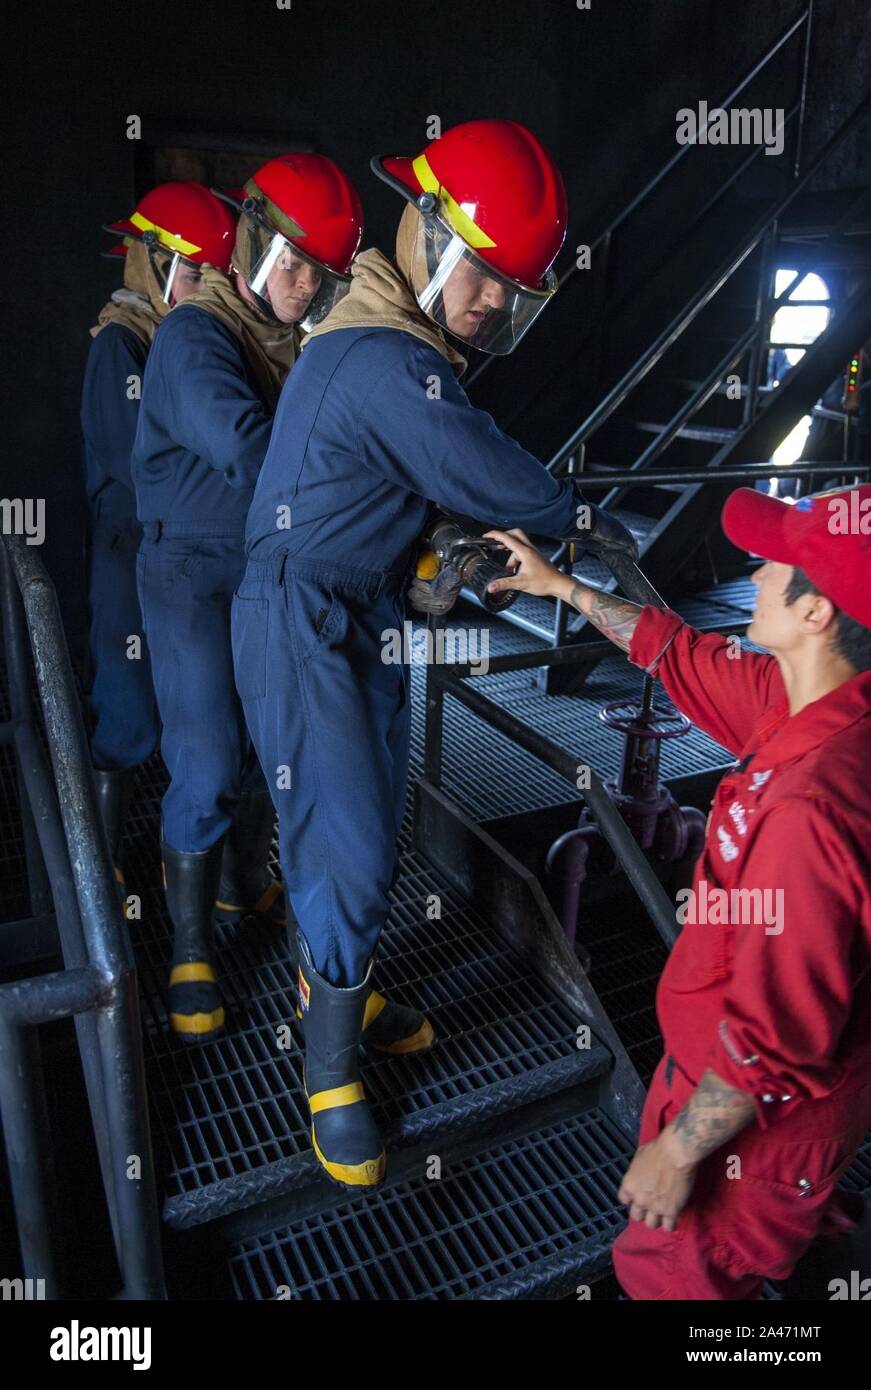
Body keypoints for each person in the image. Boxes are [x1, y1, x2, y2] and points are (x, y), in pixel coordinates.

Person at [234, 119, 638, 1188]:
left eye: (514, 290)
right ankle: (327, 1075)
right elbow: (482, 466)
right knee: (354, 840)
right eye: (485, 276)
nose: (495, 304)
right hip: (302, 616)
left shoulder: (381, 337)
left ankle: (346, 986)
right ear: (425, 232)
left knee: (361, 818)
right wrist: (580, 514)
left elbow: (402, 482)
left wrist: (426, 548)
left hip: (348, 610)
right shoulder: (382, 356)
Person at [483, 482, 871, 1300]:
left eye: (778, 564)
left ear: (816, 615)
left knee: (674, 1277)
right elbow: (678, 652)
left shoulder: (812, 809)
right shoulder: (814, 705)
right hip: (771, 1101)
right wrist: (565, 589)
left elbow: (776, 1037)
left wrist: (678, 1152)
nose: (756, 571)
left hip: (752, 1134)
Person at [131, 153, 363, 1043]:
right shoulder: (198, 333)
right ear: (258, 246)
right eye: (296, 261)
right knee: (208, 752)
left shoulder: (280, 345)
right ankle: (190, 946)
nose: (306, 285)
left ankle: (239, 882)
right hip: (190, 573)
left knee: (272, 744)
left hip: (261, 569)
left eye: (324, 274)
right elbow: (248, 447)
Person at [82, 182, 236, 884]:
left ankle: (203, 869)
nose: (205, 286)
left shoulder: (194, 340)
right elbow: (132, 460)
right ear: (152, 259)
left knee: (195, 712)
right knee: (127, 702)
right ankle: (102, 867)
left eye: (213, 273)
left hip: (174, 543)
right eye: (194, 270)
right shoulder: (122, 342)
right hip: (130, 542)